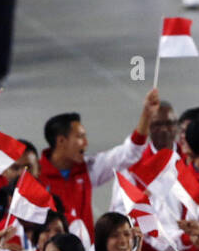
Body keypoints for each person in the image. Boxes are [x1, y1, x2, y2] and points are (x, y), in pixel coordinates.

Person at [40, 88, 159, 238]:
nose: (86, 143)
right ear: (61, 141)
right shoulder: (35, 177)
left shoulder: (88, 169)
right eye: (80, 137)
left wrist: (147, 115)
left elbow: (130, 152)